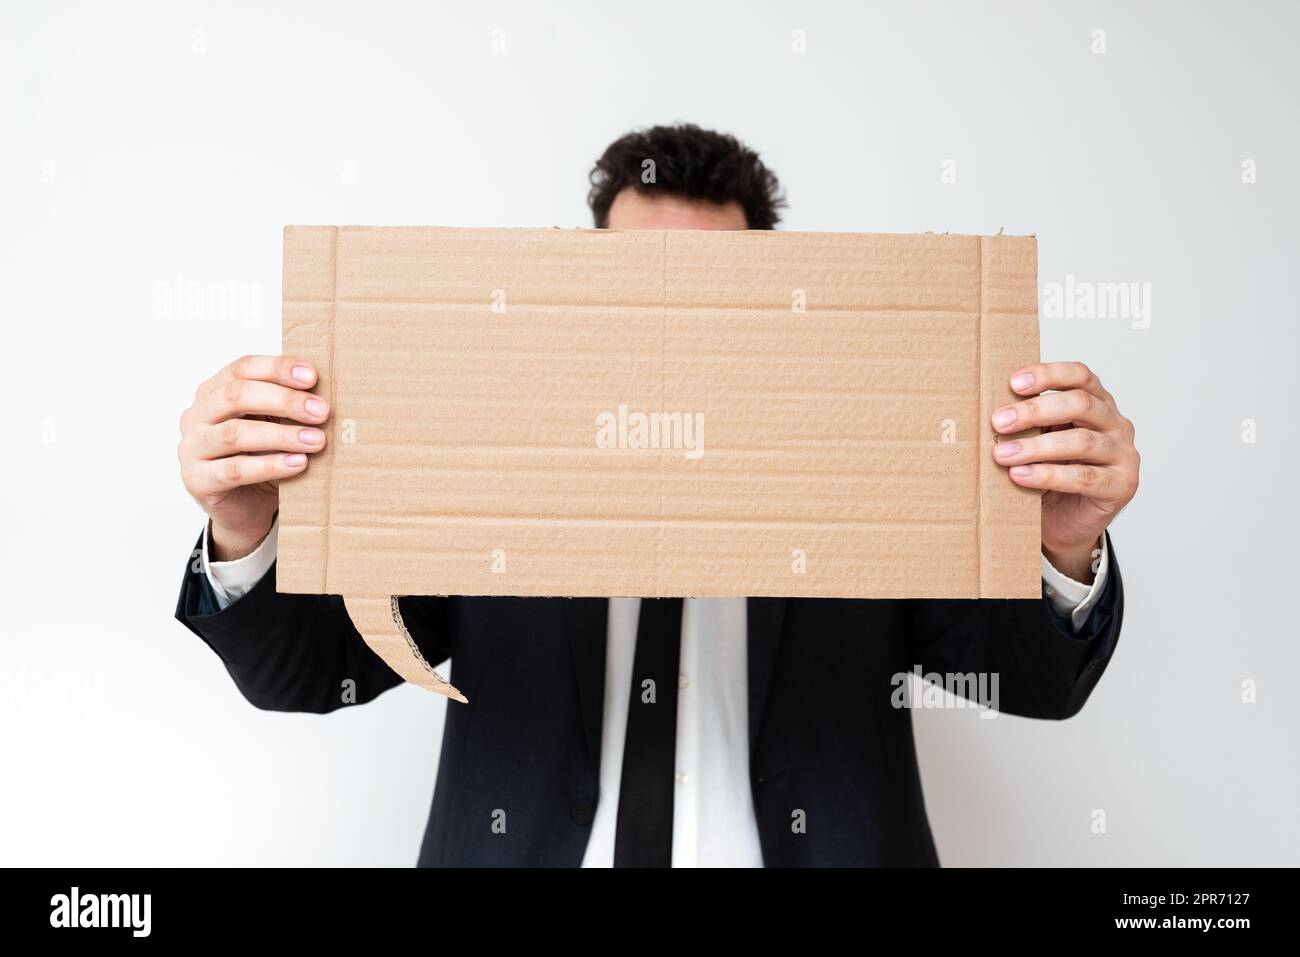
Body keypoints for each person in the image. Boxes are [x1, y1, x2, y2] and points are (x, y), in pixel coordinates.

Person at [174, 123, 1138, 866]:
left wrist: (1059, 548)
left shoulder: (875, 470)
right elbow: (305, 674)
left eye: (710, 287)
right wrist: (245, 524)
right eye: (638, 282)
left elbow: (1034, 685)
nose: (673, 324)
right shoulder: (489, 467)